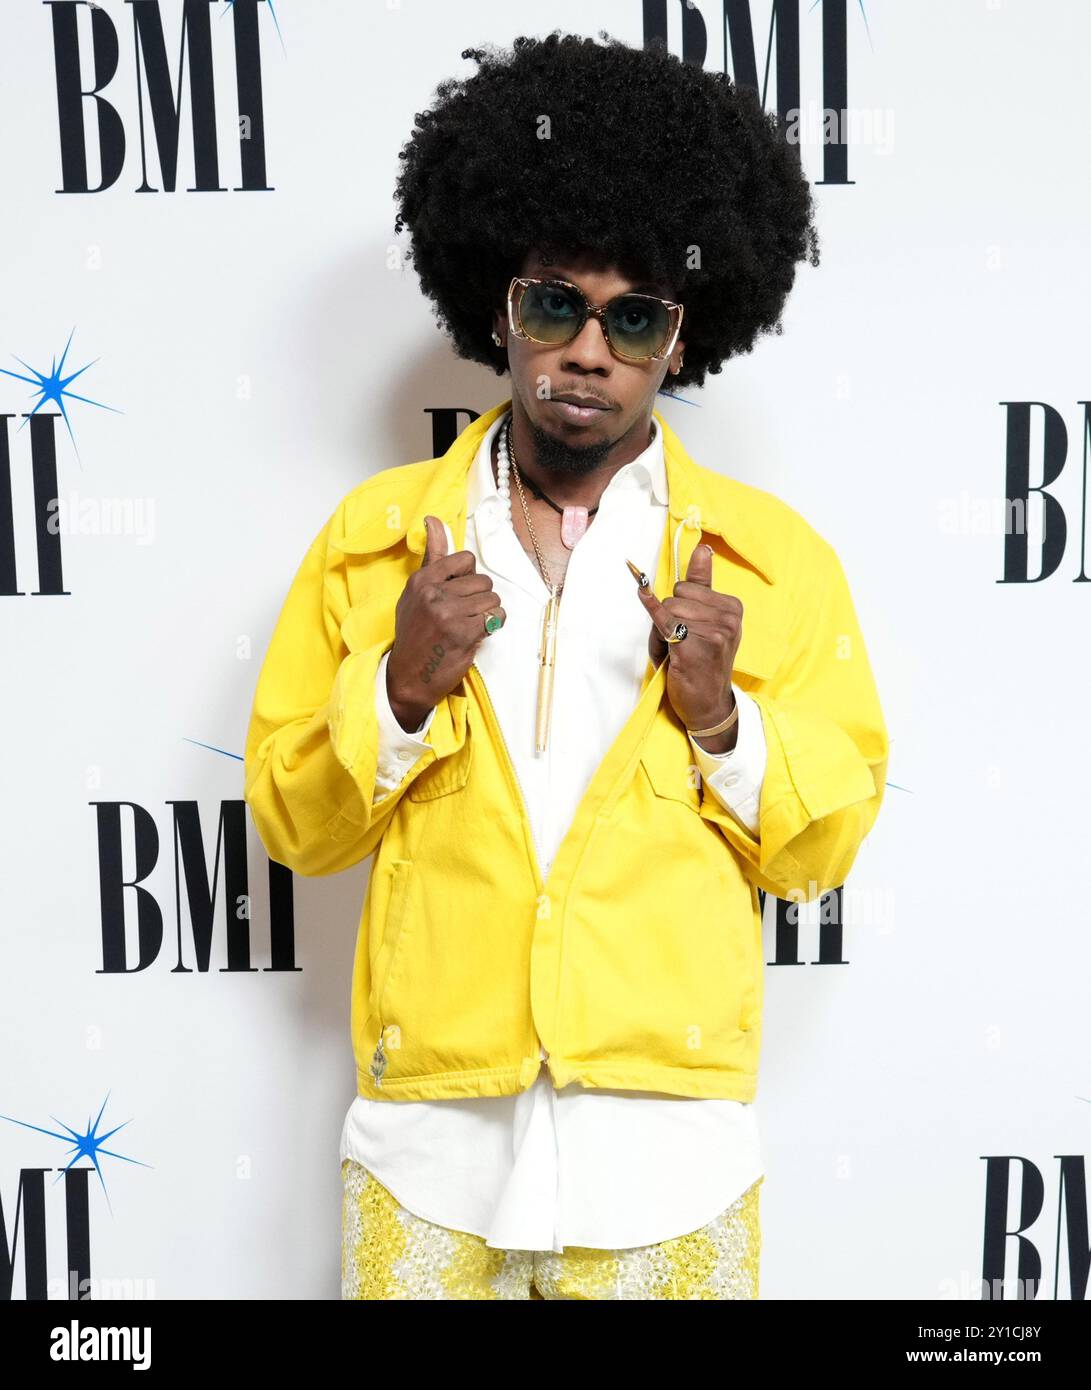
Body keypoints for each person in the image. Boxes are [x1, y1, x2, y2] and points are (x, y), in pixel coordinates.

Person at [243, 31, 889, 1300]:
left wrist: (721, 721)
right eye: (554, 303)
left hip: (670, 1168)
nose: (586, 350)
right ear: (499, 302)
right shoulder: (376, 544)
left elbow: (822, 848)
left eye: (632, 315)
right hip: (427, 1157)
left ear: (682, 341)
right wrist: (398, 687)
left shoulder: (769, 565)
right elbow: (292, 823)